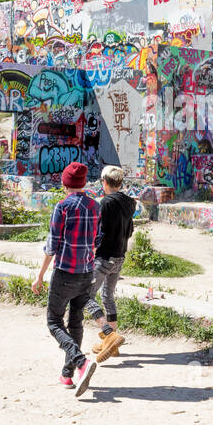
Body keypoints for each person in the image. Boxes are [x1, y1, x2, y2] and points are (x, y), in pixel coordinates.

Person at [32, 161, 100, 395]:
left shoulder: (63, 207)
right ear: (82, 183)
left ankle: (81, 362)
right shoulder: (95, 206)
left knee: (53, 322)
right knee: (76, 322)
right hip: (86, 273)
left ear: (65, 183)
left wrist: (39, 276)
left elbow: (52, 246)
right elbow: (97, 240)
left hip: (64, 274)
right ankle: (67, 374)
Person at [85, 165, 136, 362]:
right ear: (120, 183)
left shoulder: (105, 203)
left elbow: (99, 232)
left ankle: (109, 334)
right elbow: (129, 230)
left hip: (104, 257)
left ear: (104, 182)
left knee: (86, 296)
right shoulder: (129, 203)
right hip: (120, 255)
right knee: (108, 296)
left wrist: (92, 250)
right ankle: (110, 344)